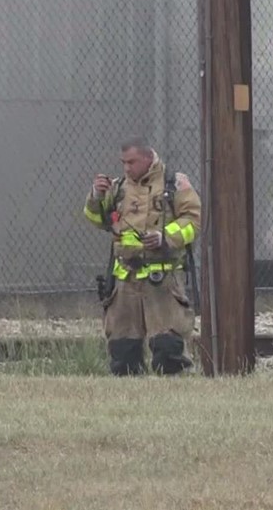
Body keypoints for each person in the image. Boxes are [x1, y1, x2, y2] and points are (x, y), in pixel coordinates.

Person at [83, 137, 201, 376]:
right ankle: (129, 394)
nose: (126, 168)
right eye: (123, 163)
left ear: (149, 157)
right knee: (122, 351)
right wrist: (96, 196)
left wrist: (164, 237)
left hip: (163, 280)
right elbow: (97, 219)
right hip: (125, 280)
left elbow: (194, 221)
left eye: (132, 162)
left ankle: (176, 393)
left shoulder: (174, 184)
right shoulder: (117, 188)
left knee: (169, 349)